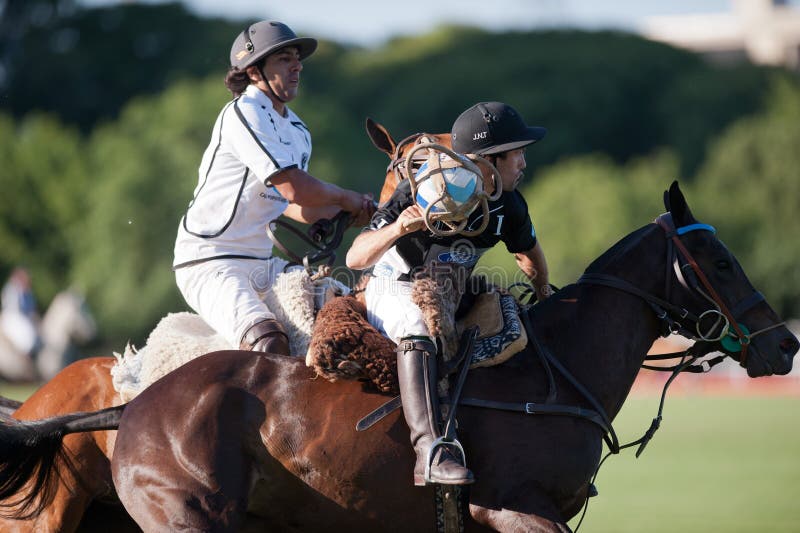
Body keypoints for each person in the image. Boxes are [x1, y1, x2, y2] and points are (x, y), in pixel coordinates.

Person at [346, 101, 552, 486]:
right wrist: (396, 230)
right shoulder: (420, 187)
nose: (524, 163)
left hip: (451, 291)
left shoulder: (510, 204)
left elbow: (531, 256)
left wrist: (544, 294)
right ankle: (430, 452)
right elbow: (356, 256)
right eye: (518, 153)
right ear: (490, 159)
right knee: (416, 323)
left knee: (508, 327)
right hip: (395, 286)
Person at [173, 21, 373, 356]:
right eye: (283, 58)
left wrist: (348, 211)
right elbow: (294, 187)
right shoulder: (242, 112)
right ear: (253, 72)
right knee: (269, 342)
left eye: (296, 57)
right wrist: (346, 197)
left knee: (351, 311)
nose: (297, 65)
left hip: (262, 264)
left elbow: (292, 204)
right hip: (209, 263)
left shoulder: (297, 128)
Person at [0, 267, 41, 357]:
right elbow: (13, 308)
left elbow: (32, 310)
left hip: (23, 318)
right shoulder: (11, 289)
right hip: (12, 317)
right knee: (28, 339)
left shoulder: (28, 293)